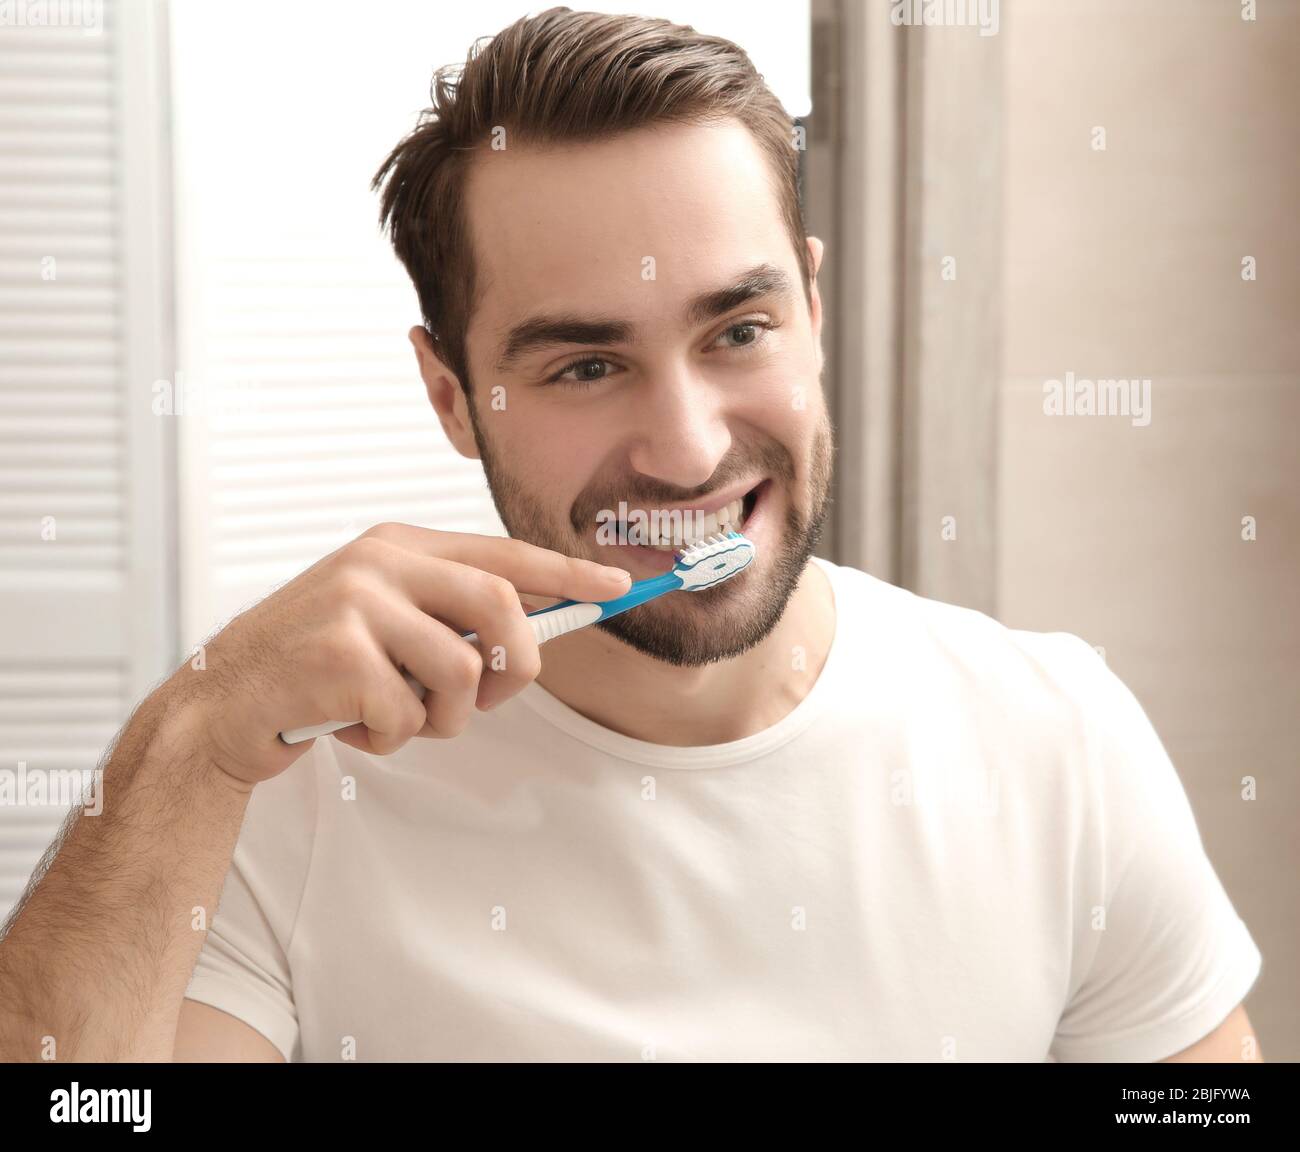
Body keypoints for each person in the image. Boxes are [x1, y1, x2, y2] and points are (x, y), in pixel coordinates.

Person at [0, 7, 1262, 1062]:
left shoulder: (1057, 739)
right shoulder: (282, 808)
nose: (689, 448)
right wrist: (189, 738)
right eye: (588, 364)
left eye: (737, 331)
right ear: (452, 397)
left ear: (812, 308)